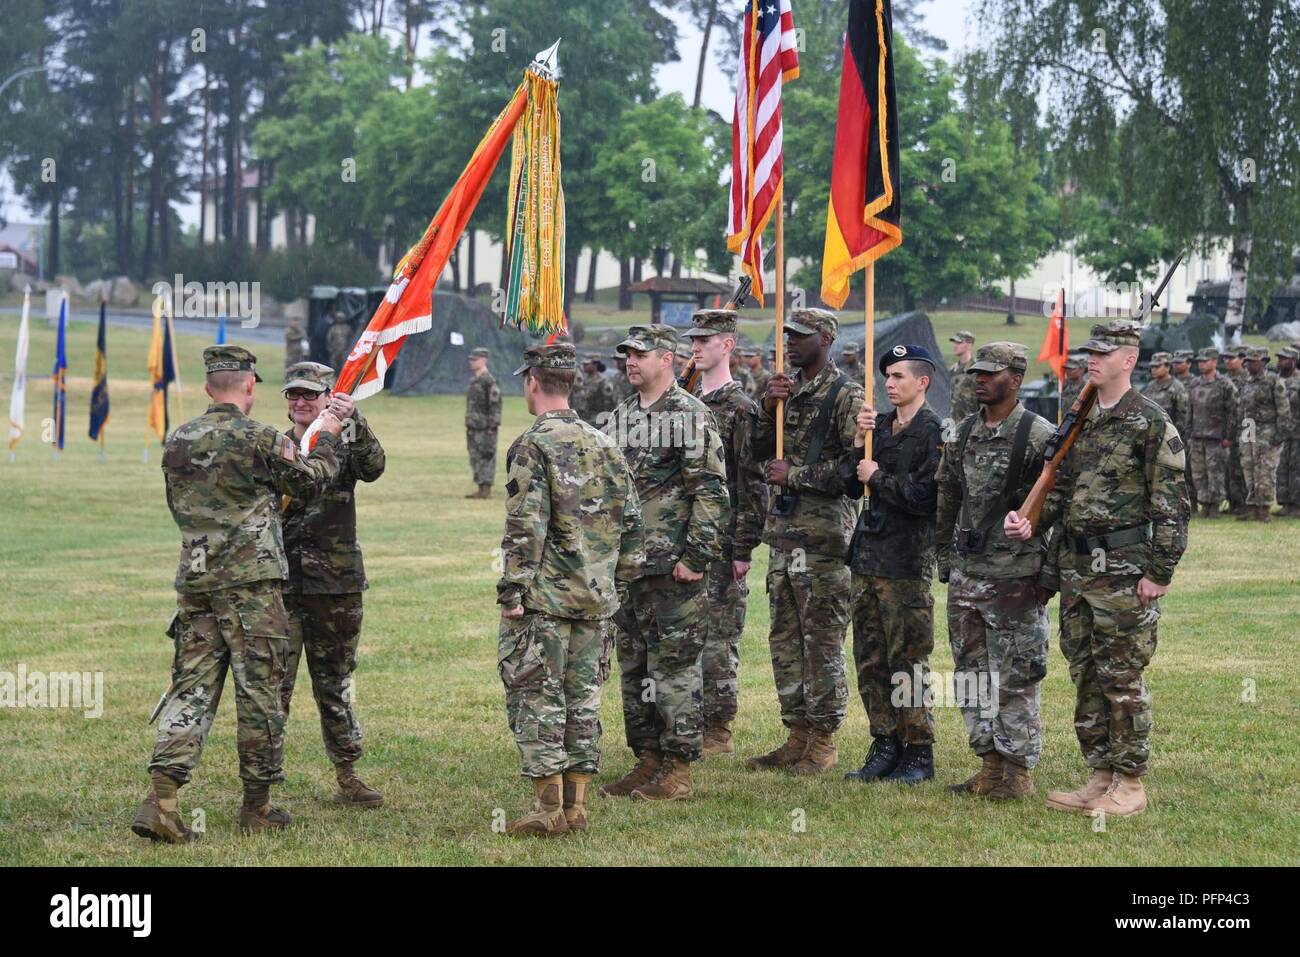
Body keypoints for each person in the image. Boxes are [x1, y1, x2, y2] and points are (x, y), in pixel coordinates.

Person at [132, 346, 345, 844]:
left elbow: (180, 506)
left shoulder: (178, 439)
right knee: (259, 692)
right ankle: (257, 805)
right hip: (252, 586)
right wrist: (329, 439)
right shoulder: (262, 439)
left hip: (197, 580)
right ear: (251, 386)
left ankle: (162, 799)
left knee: (191, 690)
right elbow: (310, 483)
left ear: (210, 388)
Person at [1009, 320, 1190, 817]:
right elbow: (1061, 490)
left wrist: (1160, 571)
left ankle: (1131, 782)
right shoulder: (1082, 419)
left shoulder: (1151, 422)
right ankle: (1102, 773)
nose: (1092, 359)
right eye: (1090, 351)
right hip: (1076, 568)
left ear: (1129, 360)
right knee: (1086, 672)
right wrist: (1030, 520)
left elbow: (1172, 505)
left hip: (1125, 569)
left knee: (1121, 676)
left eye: (1104, 353)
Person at [495, 343, 644, 837]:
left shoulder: (532, 445)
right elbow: (633, 525)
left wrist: (512, 591)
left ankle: (547, 808)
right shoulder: (606, 443)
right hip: (595, 598)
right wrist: (614, 582)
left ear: (532, 383)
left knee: (537, 696)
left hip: (545, 600)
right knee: (582, 700)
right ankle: (577, 806)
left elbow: (525, 527)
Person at [599, 325, 728, 801]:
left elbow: (711, 493)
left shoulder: (690, 415)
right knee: (635, 667)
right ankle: (648, 758)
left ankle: (677, 768)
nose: (631, 361)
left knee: (674, 669)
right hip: (630, 569)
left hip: (674, 568)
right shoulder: (620, 416)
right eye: (627, 354)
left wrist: (696, 557)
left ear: (667, 358)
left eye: (640, 354)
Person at [747, 309, 864, 775]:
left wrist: (794, 476)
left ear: (827, 338)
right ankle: (796, 733)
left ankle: (823, 740)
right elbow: (753, 450)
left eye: (800, 336)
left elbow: (855, 468)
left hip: (824, 541)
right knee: (785, 640)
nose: (790, 343)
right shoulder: (784, 389)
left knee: (822, 642)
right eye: (787, 335)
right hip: (783, 538)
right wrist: (764, 407)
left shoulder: (845, 395)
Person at [935, 342, 1054, 798]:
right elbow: (947, 494)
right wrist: (944, 556)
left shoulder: (1039, 435)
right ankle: (988, 764)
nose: (980, 379)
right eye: (977, 373)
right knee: (972, 673)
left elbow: (1057, 506)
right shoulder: (963, 432)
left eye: (991, 373)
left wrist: (1047, 574)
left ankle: (1017, 770)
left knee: (1017, 673)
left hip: (1015, 575)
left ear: (1016, 379)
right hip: (967, 574)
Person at [278, 362, 386, 807]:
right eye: (293, 395)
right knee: (271, 684)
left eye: (310, 394)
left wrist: (354, 419)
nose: (300, 402)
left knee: (335, 682)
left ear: (328, 397)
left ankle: (347, 772)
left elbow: (375, 467)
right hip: (280, 584)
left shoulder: (343, 440)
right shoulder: (274, 444)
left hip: (335, 584)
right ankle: (265, 776)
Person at [839, 344, 944, 785]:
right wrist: (857, 439)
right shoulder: (878, 427)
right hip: (867, 559)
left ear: (922, 381)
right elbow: (847, 481)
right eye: (888, 375)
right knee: (871, 659)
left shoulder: (934, 432)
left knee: (908, 660)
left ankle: (918, 750)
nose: (890, 382)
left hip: (905, 563)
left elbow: (924, 497)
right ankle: (885, 742)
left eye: (900, 376)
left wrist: (876, 477)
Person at [683, 310, 767, 757]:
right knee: (685, 637)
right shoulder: (683, 401)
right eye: (694, 340)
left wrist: (743, 546)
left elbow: (751, 483)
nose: (696, 347)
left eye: (706, 340)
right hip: (685, 538)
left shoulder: (740, 409)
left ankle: (717, 729)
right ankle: (685, 721)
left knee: (719, 639)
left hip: (722, 540)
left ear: (728, 346)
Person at [1236, 346, 1293, 521]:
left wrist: (1279, 435)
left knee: (1265, 470)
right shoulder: (1246, 381)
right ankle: (1253, 506)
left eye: (1253, 361)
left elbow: (1284, 410)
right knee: (1249, 468)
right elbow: (1241, 407)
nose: (1249, 365)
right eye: (1248, 362)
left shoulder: (1273, 381)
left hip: (1268, 431)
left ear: (1263, 362)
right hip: (1248, 429)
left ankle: (1265, 509)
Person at [1185, 347, 1237, 518]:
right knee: (1199, 474)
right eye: (1199, 361)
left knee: (1216, 474)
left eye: (1205, 361)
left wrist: (1229, 437)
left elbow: (1233, 412)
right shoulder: (1194, 384)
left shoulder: (1225, 384)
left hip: (1216, 438)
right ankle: (1204, 505)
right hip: (1197, 437)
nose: (1201, 364)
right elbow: (1189, 412)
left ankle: (1214, 507)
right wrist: (1188, 435)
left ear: (1215, 362)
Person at [465, 346, 502, 499]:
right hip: (474, 426)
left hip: (485, 427)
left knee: (486, 455)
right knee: (475, 456)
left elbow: (495, 405)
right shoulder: (475, 380)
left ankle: (486, 489)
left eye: (475, 359)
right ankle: (480, 487)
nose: (471, 362)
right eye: (470, 359)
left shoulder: (489, 381)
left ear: (484, 360)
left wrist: (492, 427)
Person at [1141, 352, 1189, 439]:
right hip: (1150, 437)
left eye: (1157, 367)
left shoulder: (1177, 388)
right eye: (1152, 367)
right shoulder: (1149, 387)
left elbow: (1183, 417)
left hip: (1171, 437)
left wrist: (1176, 437)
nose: (1153, 369)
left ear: (1168, 367)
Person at [1225, 347, 1249, 515]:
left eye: (1231, 357)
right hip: (1227, 430)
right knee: (1229, 469)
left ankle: (1245, 503)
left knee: (1242, 468)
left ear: (1242, 359)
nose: (1227, 360)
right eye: (1225, 358)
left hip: (1246, 429)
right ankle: (1233, 502)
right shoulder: (1224, 380)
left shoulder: (1248, 379)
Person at [1276, 347, 1300, 516]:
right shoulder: (1276, 381)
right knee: (1282, 469)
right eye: (1279, 358)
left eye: (1285, 358)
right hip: (1281, 433)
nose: (1280, 361)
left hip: (1298, 432)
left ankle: (1297, 505)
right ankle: (1285, 503)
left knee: (1296, 468)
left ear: (1293, 360)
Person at [948, 331, 978, 424]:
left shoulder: (976, 369)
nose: (955, 346)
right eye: (954, 343)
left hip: (971, 423)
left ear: (969, 345)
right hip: (954, 423)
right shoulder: (952, 370)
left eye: (959, 343)